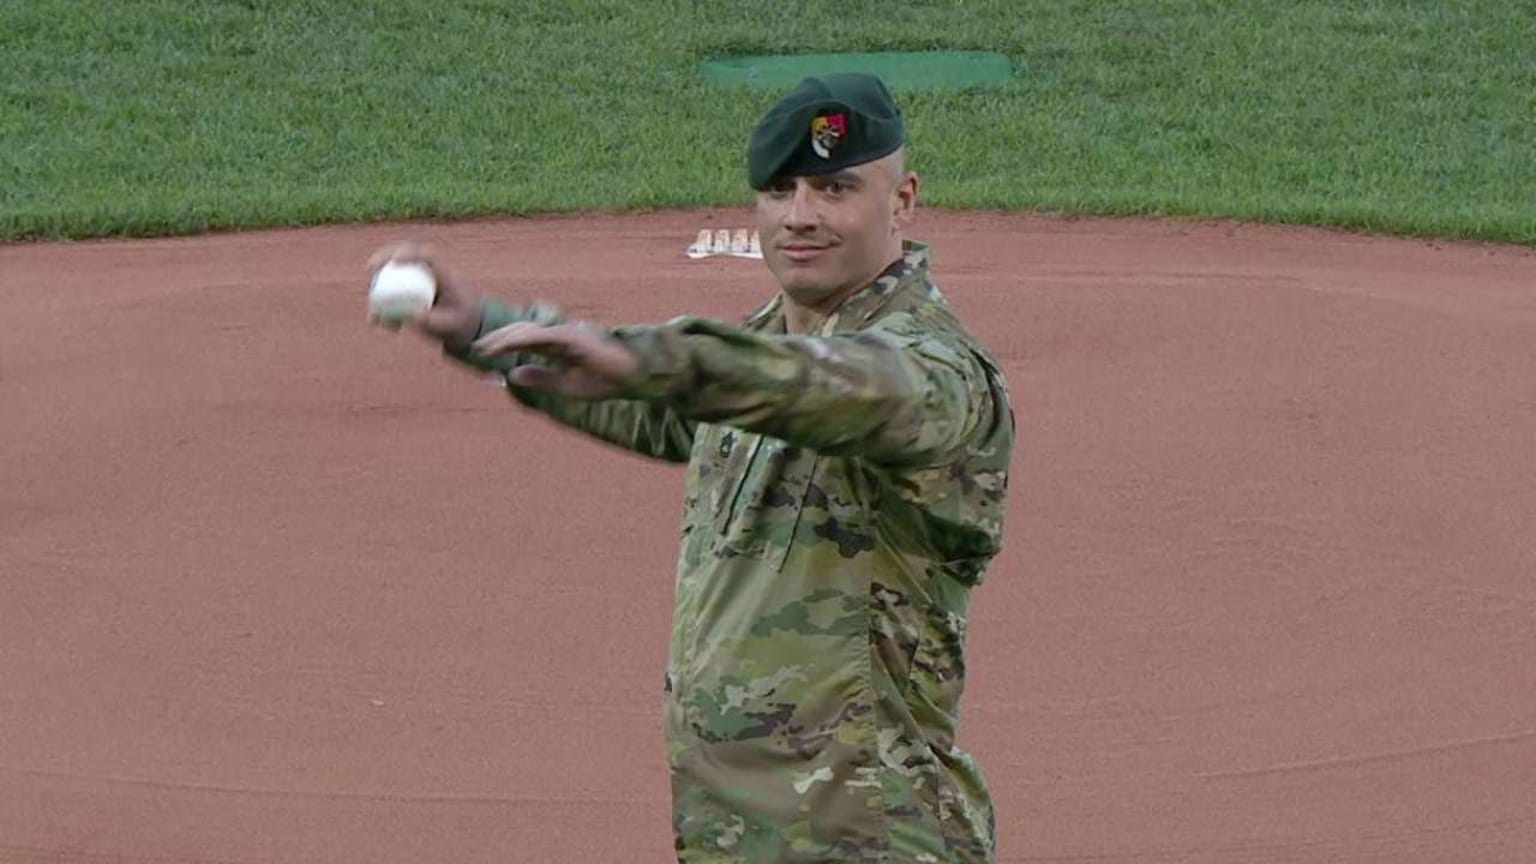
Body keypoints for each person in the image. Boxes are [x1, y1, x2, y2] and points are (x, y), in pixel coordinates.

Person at [371, 73, 1014, 863]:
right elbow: (666, 402)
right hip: (739, 831)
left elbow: (831, 388)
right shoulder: (758, 352)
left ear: (903, 200)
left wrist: (654, 360)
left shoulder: (936, 371)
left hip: (870, 832)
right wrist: (484, 327)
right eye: (780, 191)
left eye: (835, 188)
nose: (801, 215)